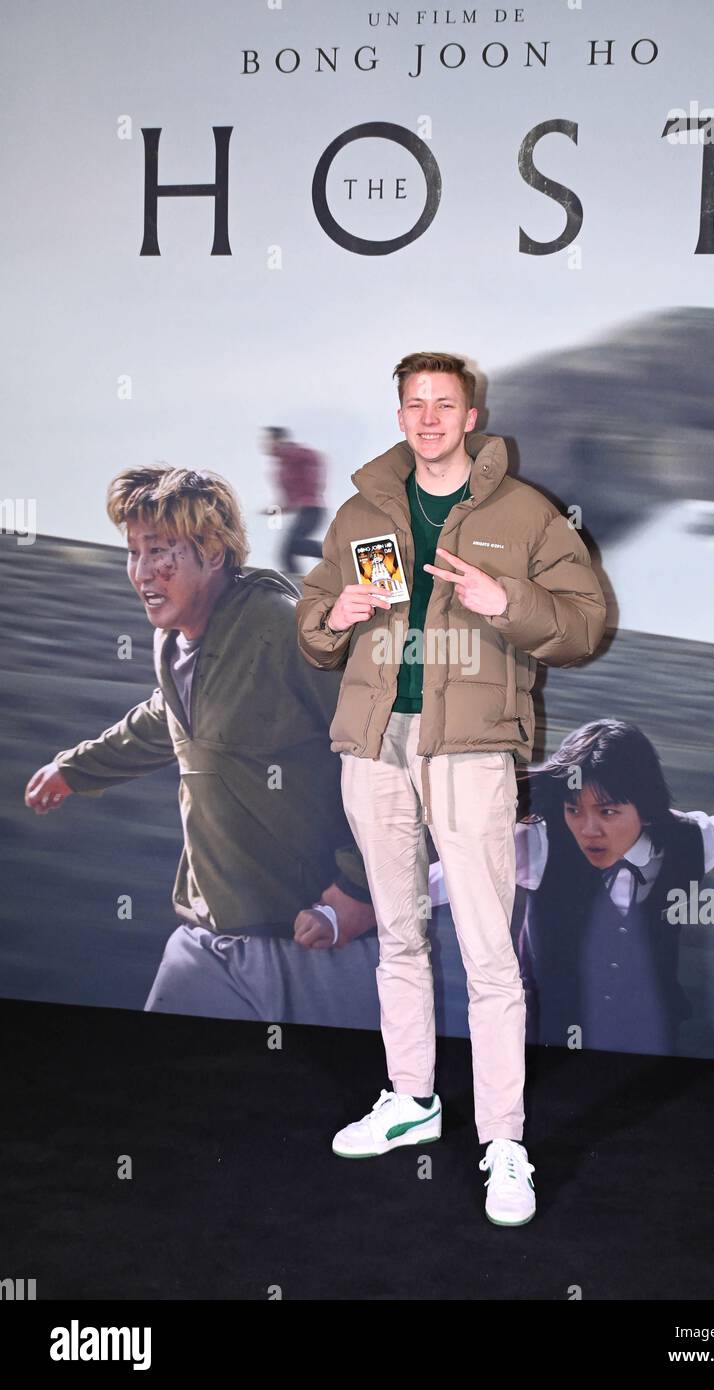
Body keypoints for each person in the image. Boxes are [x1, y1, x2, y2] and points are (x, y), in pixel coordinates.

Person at [295, 350, 608, 1225]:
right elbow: (312, 627)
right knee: (398, 935)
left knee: (488, 956)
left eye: (445, 404)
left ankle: (504, 1142)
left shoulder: (525, 512)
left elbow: (583, 625)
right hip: (372, 745)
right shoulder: (362, 509)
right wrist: (335, 616)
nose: (428, 418)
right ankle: (410, 1100)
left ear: (471, 416)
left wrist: (503, 597)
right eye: (413, 404)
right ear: (399, 415)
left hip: (468, 750)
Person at [24, 466, 378, 1024]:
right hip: (209, 936)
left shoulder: (287, 632)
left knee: (340, 1104)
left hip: (312, 938)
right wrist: (75, 770)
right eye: (133, 552)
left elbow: (386, 746)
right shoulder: (175, 643)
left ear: (213, 552)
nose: (142, 572)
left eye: (159, 551)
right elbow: (167, 720)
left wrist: (359, 891)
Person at [519, 719, 714, 1054]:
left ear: (646, 809)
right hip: (547, 1043)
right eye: (573, 809)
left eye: (608, 812)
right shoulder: (537, 845)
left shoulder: (691, 840)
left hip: (649, 1042)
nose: (588, 829)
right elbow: (455, 874)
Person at [262, 426, 326, 575]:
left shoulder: (292, 454)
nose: (265, 445)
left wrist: (316, 486)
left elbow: (315, 458)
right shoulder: (281, 468)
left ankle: (334, 555)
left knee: (294, 544)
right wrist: (274, 509)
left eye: (268, 440)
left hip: (313, 510)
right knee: (286, 552)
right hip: (304, 510)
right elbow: (289, 502)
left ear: (278, 440)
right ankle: (296, 582)